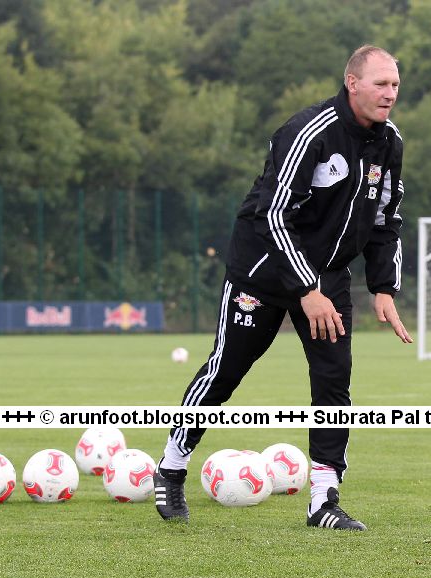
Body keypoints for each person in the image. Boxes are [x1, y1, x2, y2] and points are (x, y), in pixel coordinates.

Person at [154, 45, 411, 530]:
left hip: (328, 278)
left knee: (334, 383)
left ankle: (323, 501)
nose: (390, 94)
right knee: (226, 370)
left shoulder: (389, 142)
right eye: (381, 84)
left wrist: (383, 286)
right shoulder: (309, 131)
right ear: (352, 82)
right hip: (265, 270)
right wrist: (305, 288)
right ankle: (170, 465)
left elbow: (385, 219)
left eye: (395, 85)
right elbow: (273, 214)